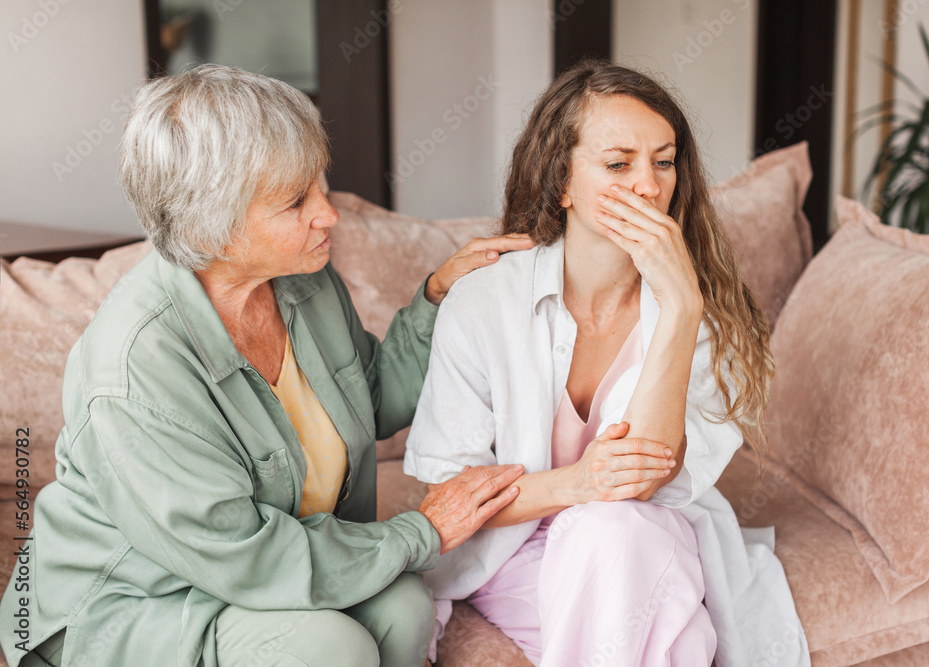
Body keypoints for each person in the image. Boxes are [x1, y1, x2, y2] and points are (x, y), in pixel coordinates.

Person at [0, 64, 535, 667]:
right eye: (295, 201)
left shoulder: (300, 282)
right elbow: (242, 553)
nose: (328, 214)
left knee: (405, 603)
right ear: (214, 224)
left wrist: (439, 297)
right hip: (138, 601)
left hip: (254, 574)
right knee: (331, 649)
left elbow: (372, 398)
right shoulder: (134, 368)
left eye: (320, 187)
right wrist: (421, 532)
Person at [404, 60, 810, 666]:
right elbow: (451, 495)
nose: (648, 186)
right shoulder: (484, 300)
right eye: (619, 164)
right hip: (512, 553)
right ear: (562, 183)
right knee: (665, 624)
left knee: (608, 530)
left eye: (664, 161)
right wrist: (578, 483)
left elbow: (640, 484)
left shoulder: (699, 311)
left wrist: (678, 307)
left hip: (636, 536)